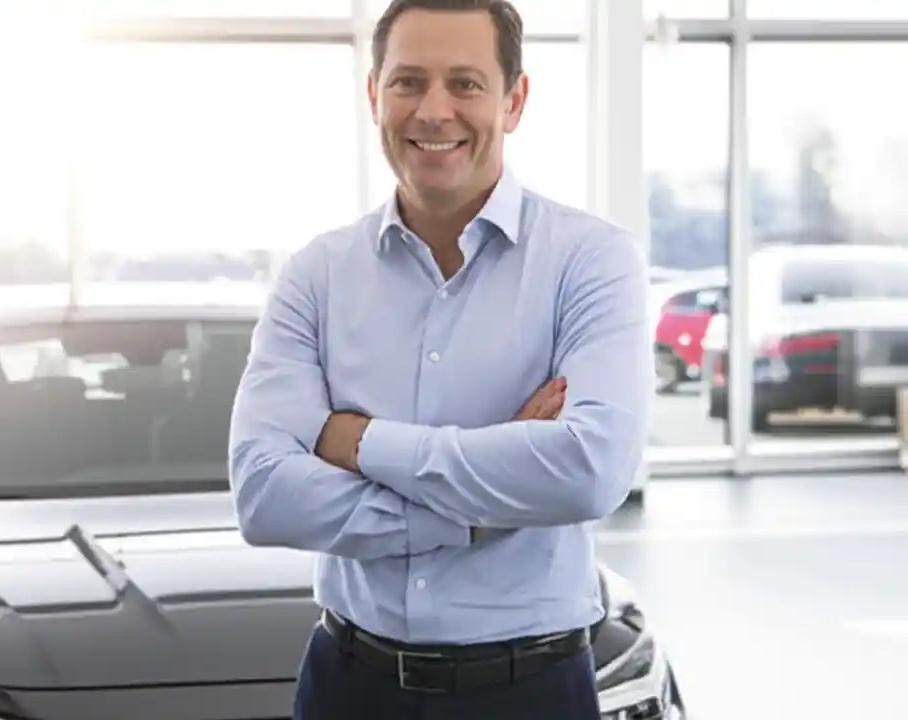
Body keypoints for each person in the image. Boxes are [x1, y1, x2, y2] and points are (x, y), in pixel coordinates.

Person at [227, 0, 653, 717]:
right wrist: (476, 512)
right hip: (348, 686)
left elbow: (588, 470)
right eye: (408, 82)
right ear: (374, 95)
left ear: (514, 101)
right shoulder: (316, 276)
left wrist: (359, 442)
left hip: (531, 691)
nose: (433, 110)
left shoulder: (590, 262)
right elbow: (265, 494)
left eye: (465, 83)